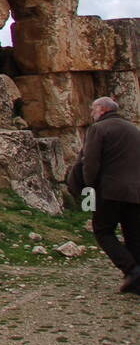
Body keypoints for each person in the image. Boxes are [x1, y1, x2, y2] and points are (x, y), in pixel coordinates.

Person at [74, 97, 140, 294]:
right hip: (136, 192)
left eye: (93, 110)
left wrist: (88, 186)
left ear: (102, 110)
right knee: (134, 235)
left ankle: (132, 270)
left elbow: (91, 162)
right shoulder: (133, 130)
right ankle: (136, 281)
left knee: (103, 231)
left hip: (109, 191)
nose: (91, 114)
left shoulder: (98, 129)